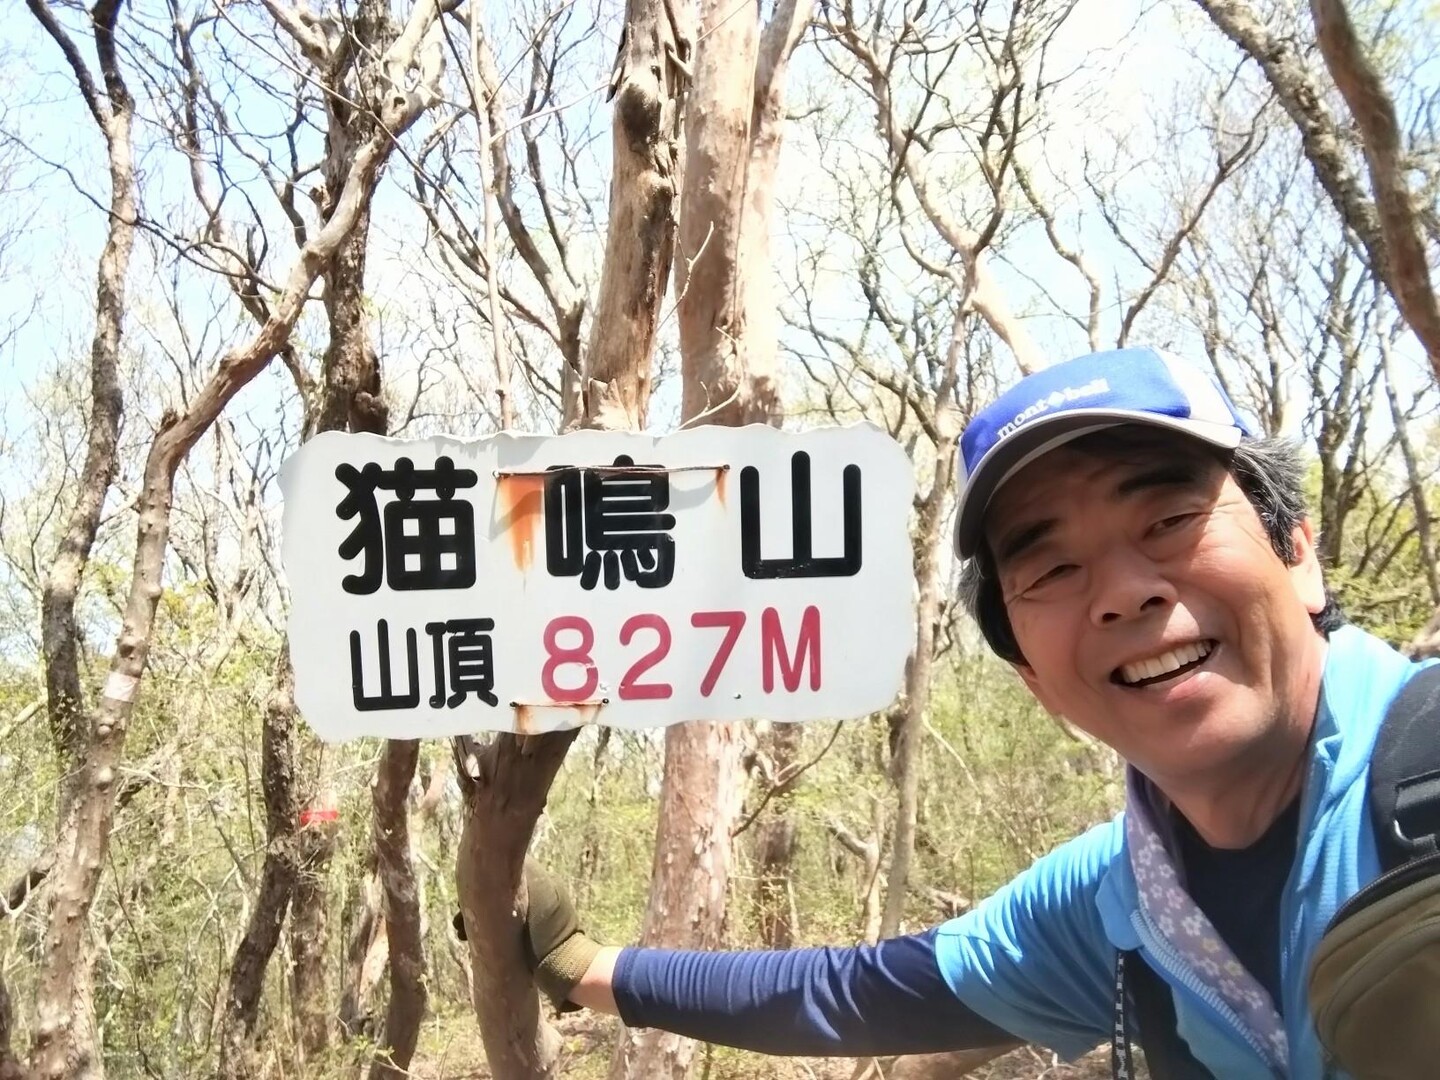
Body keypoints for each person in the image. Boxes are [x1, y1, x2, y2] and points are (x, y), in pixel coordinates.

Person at [465, 347, 1436, 1078]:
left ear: (1299, 551)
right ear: (1035, 681)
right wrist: (582, 966)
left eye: (1170, 519)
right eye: (1052, 566)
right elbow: (849, 994)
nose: (1125, 591)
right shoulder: (1129, 897)